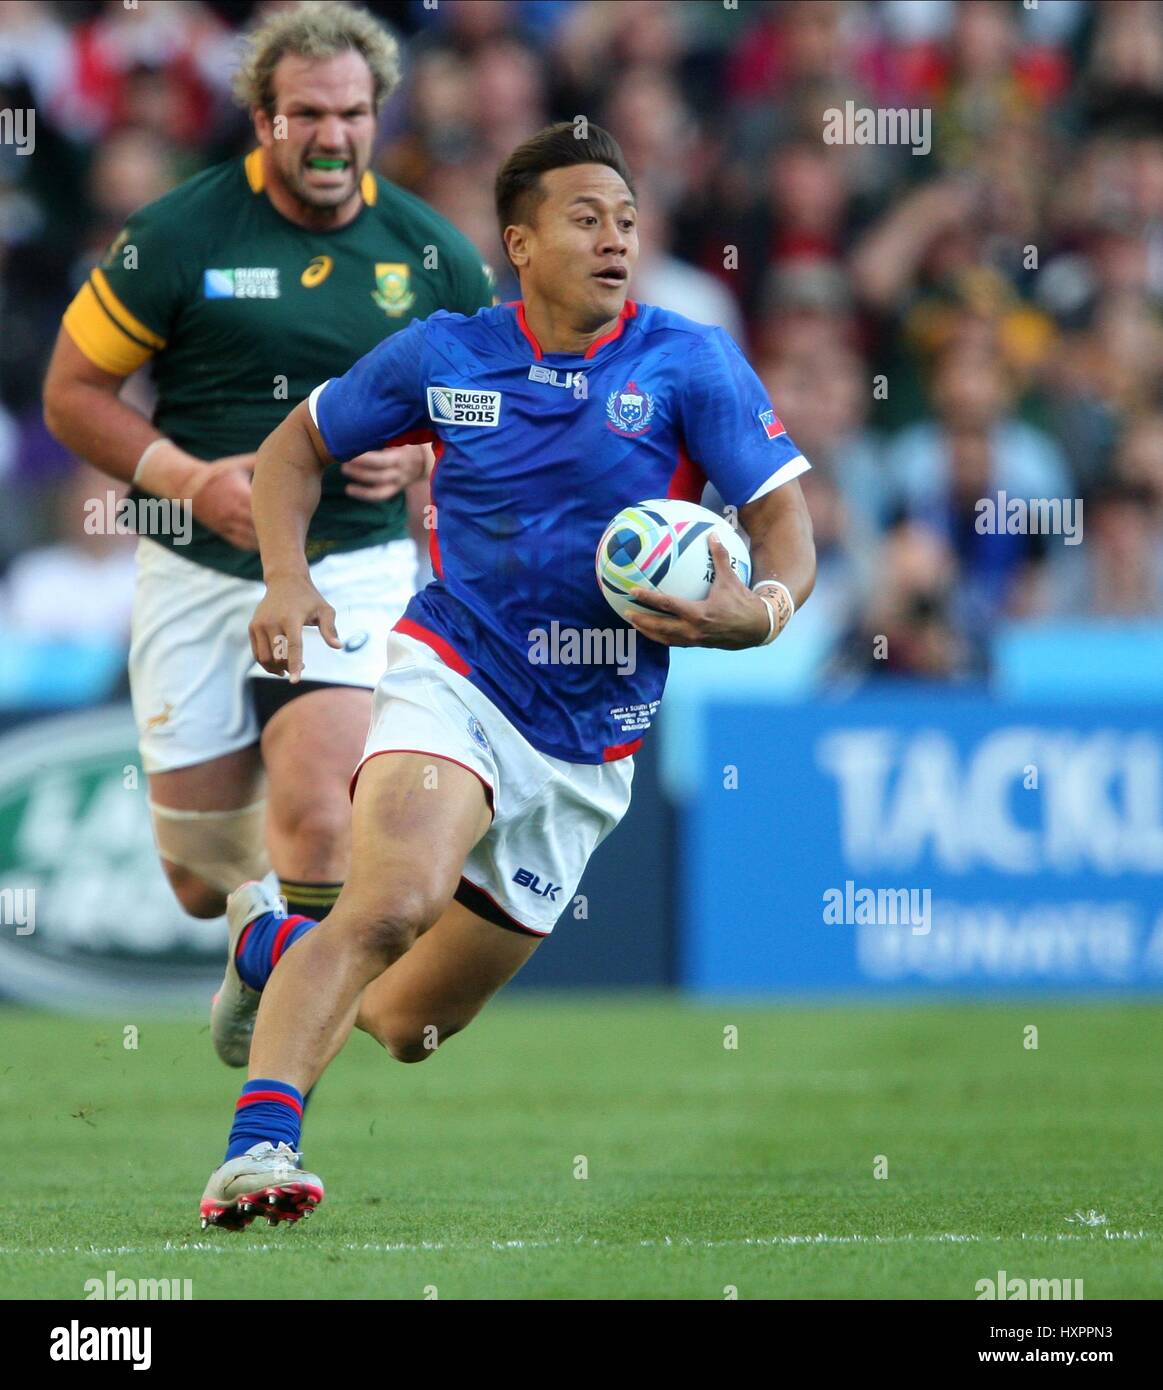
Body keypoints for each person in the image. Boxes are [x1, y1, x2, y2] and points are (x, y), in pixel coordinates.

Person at [197, 122, 816, 1229]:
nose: (615, 240)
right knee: (390, 901)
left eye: (626, 220)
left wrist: (755, 612)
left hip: (591, 744)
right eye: (586, 220)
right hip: (455, 675)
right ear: (520, 243)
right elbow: (295, 449)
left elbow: (785, 530)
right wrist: (284, 579)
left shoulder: (688, 361)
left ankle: (268, 940)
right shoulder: (444, 354)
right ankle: (258, 1151)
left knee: (403, 1024)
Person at [41, 1, 496, 1070]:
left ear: (378, 113)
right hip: (198, 564)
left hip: (354, 560)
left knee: (319, 810)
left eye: (351, 113)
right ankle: (256, 937)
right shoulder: (179, 235)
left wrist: (424, 453)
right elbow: (71, 394)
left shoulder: (432, 256)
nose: (331, 137)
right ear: (261, 118)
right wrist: (190, 480)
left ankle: (279, 1099)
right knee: (198, 875)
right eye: (305, 115)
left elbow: (495, 417)